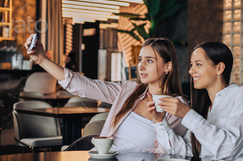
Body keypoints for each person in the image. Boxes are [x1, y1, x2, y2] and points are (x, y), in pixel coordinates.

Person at [25, 35, 188, 153]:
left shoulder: (177, 106)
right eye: (140, 59)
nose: (141, 66)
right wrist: (41, 59)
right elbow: (84, 86)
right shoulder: (130, 90)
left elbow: (173, 152)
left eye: (149, 60)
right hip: (102, 159)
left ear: (168, 67)